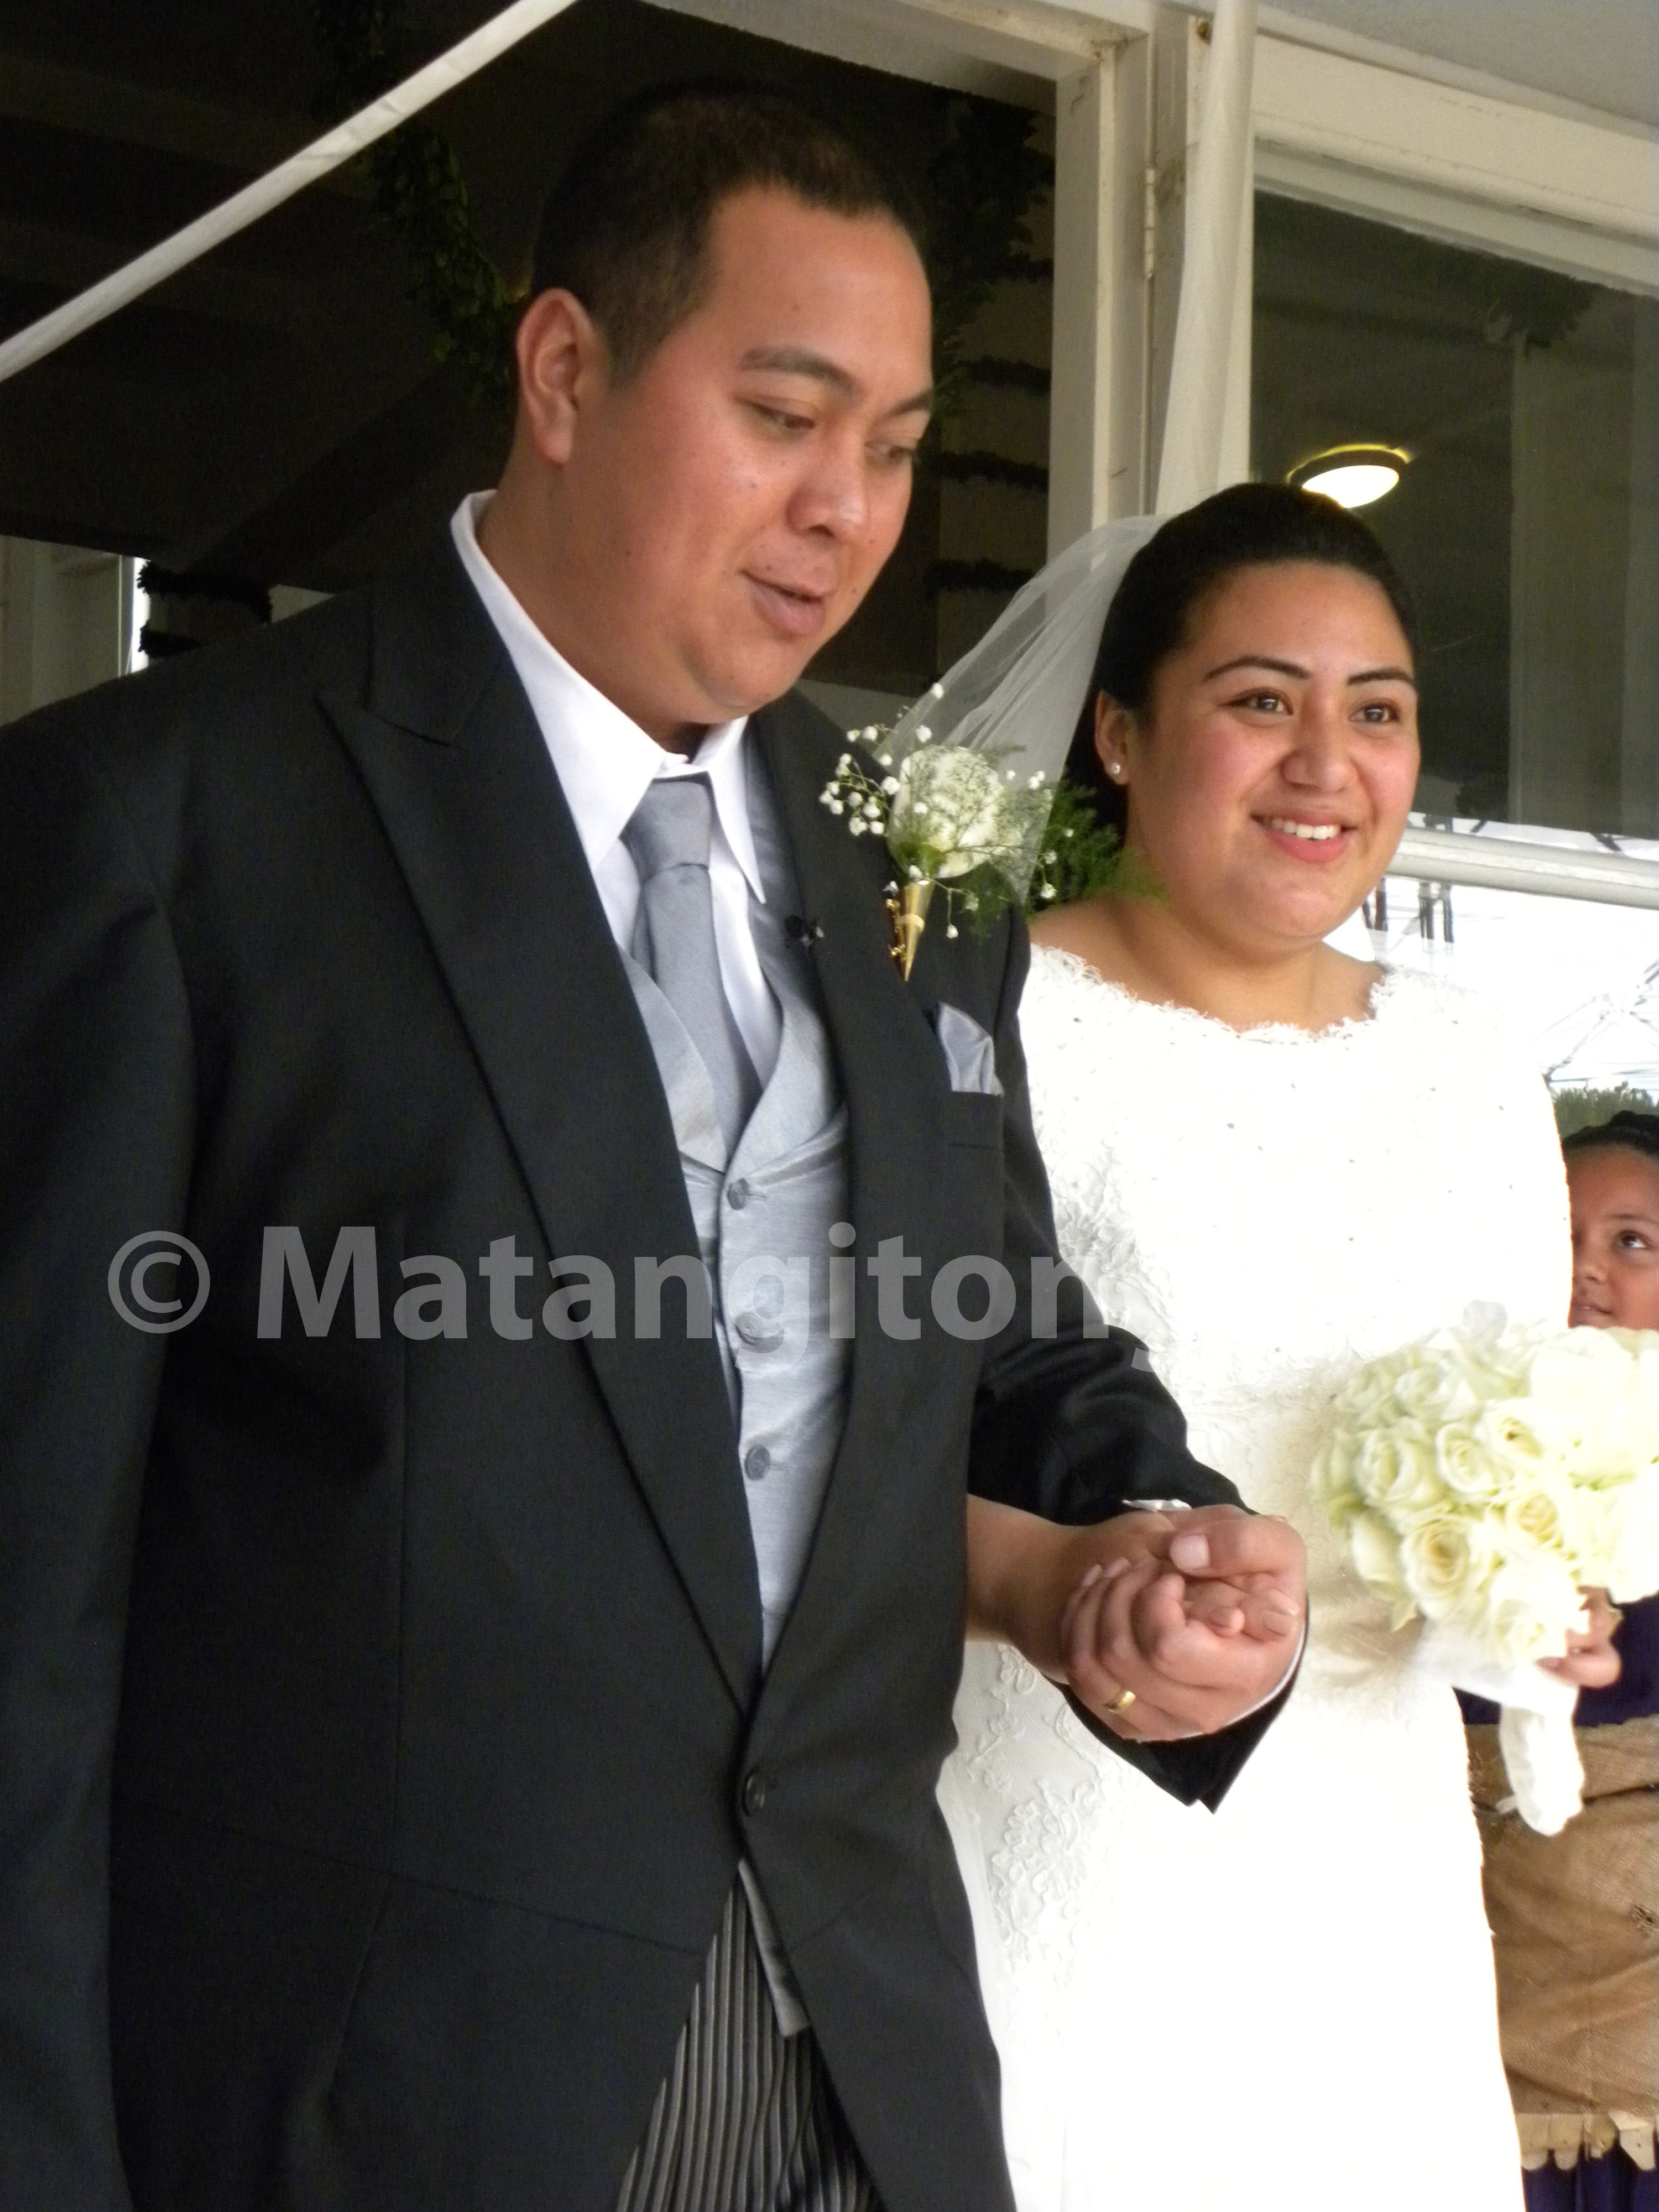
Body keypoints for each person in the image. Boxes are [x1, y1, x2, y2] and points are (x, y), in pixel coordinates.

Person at [0, 89, 1308, 2212]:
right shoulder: (161, 829)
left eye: (891, 449)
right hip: (369, 2096)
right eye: (786, 417)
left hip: (863, 2074)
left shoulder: (911, 863)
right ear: (567, 373)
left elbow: (985, 1328)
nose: (846, 513)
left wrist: (1150, 1533)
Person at [936, 482, 1621, 2212]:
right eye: (1260, 701)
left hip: (1370, 1879)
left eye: (1375, 712)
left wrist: (1541, 1594)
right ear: (1116, 732)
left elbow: (1539, 1426)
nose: (1328, 761)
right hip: (1068, 1803)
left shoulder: (1470, 1064)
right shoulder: (986, 1026)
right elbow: (882, 1439)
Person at [1466, 1110, 1659, 2211]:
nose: (1586, 1269)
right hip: (1477, 2078)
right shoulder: (1461, 1472)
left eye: (1631, 1241)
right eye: (1562, 1235)